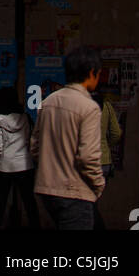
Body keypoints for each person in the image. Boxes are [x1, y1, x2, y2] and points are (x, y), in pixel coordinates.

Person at [30, 47, 104, 230]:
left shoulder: (48, 102)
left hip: (48, 191)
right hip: (75, 192)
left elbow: (35, 148)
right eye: (99, 73)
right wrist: (98, 185)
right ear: (91, 73)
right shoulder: (89, 108)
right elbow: (88, 157)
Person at [0, 87, 40, 230]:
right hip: (25, 166)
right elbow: (32, 141)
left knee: (0, 204)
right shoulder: (26, 118)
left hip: (6, 167)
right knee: (29, 203)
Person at [92, 85, 122, 231]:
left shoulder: (82, 105)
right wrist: (106, 146)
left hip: (88, 162)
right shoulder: (107, 106)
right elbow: (116, 133)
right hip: (104, 162)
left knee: (87, 204)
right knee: (91, 203)